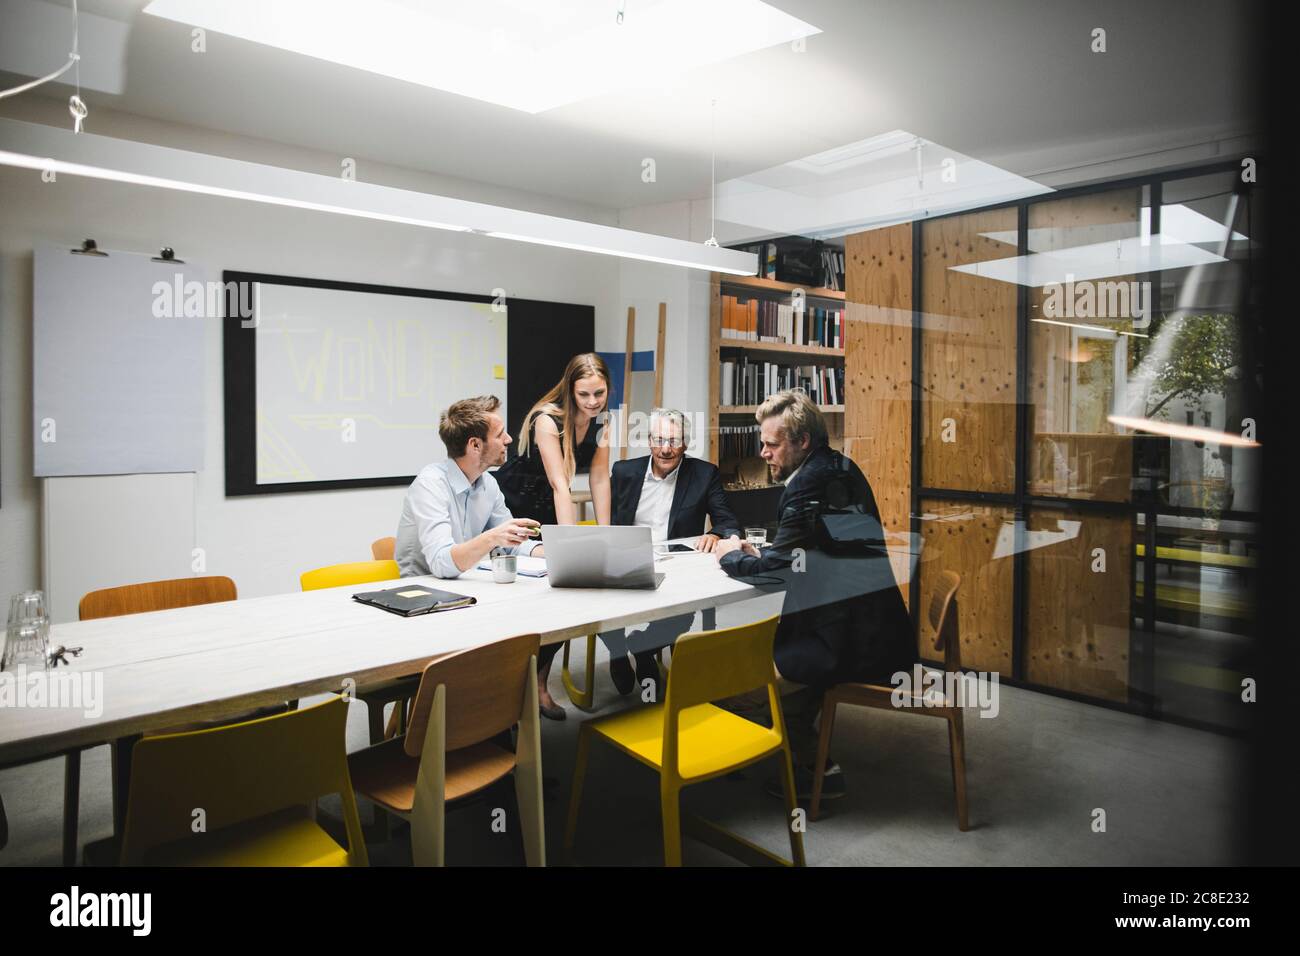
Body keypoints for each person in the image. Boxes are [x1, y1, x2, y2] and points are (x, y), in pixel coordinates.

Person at [712, 389, 914, 801]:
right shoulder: (840, 467)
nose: (764, 453)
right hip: (874, 625)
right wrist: (768, 552)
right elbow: (810, 551)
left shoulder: (805, 485)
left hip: (847, 641)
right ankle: (811, 766)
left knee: (733, 682)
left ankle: (801, 769)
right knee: (767, 665)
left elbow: (775, 573)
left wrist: (731, 556)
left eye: (772, 444)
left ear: (802, 441)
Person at [494, 353, 612, 720]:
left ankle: (540, 683)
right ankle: (508, 683)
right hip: (519, 500)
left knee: (565, 599)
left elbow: (599, 478)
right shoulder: (548, 419)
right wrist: (572, 548)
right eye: (584, 395)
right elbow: (561, 484)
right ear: (569, 389)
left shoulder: (607, 420)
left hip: (551, 503)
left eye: (600, 393)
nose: (593, 403)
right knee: (532, 594)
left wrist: (605, 538)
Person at [600, 408, 741, 697]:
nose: (666, 449)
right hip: (626, 559)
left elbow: (728, 521)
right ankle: (617, 651)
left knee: (682, 612)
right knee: (594, 599)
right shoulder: (624, 472)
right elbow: (610, 522)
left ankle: (643, 647)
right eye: (660, 440)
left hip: (676, 564)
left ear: (686, 443)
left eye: (674, 441)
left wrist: (714, 534)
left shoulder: (704, 474)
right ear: (649, 440)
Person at [394, 395, 543, 580]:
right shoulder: (430, 485)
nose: (509, 439)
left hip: (463, 584)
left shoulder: (488, 483)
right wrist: (492, 537)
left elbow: (513, 543)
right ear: (475, 445)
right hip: (422, 590)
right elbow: (441, 564)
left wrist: (557, 555)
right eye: (500, 434)